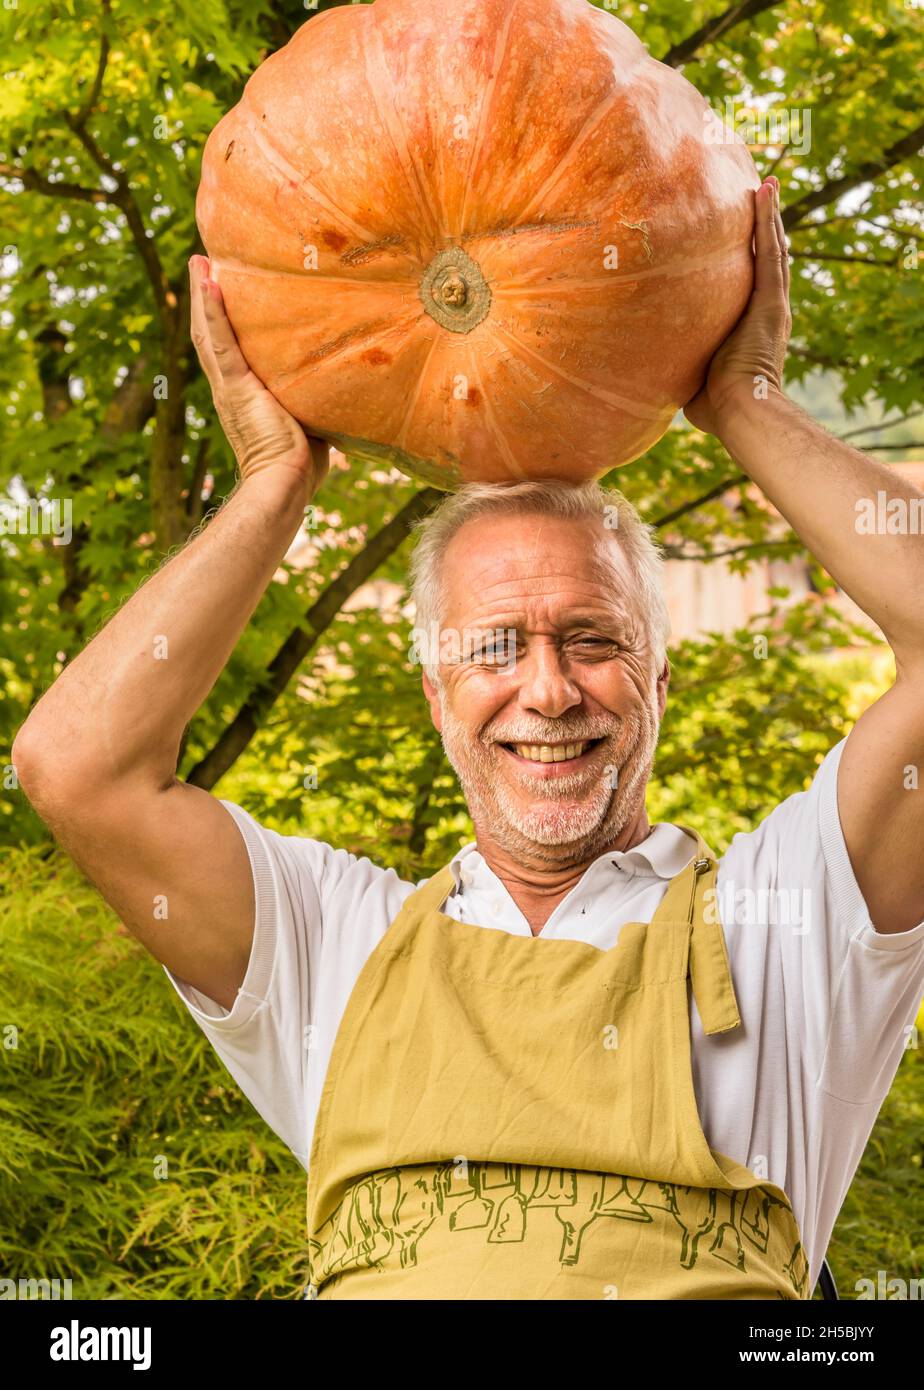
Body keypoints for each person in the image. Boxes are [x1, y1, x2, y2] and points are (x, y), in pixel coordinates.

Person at [14, 178, 924, 1300]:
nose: (547, 691)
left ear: (659, 680)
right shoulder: (330, 946)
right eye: (494, 648)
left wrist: (742, 401)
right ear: (438, 696)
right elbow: (76, 769)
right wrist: (274, 484)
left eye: (592, 638)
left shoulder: (789, 926)